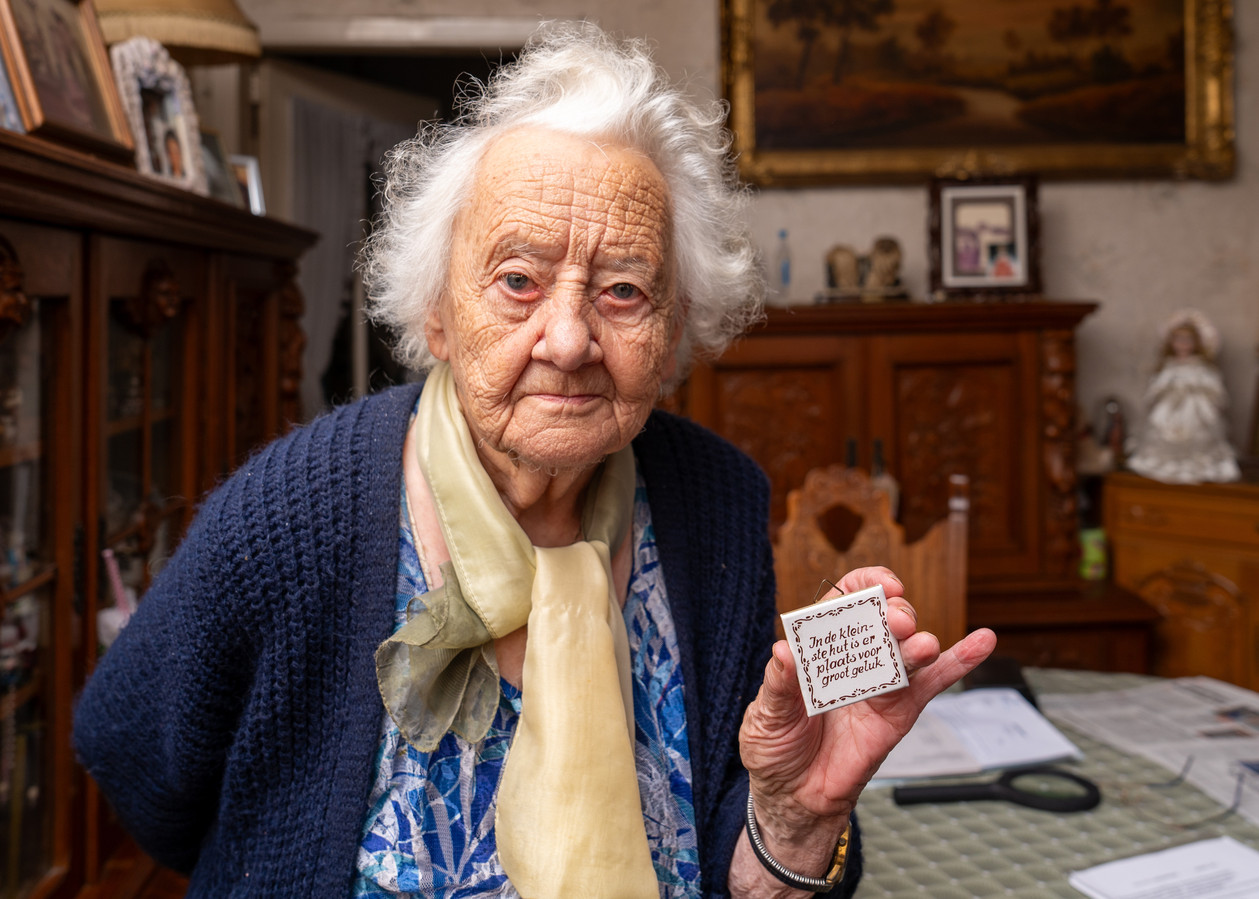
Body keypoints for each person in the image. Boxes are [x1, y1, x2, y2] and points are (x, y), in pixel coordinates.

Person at [73, 23, 995, 898]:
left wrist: (791, 821)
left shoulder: (713, 498)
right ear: (435, 310)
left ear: (676, 333)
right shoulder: (292, 513)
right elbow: (134, 756)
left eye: (623, 290)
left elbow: (743, 856)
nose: (567, 338)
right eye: (517, 280)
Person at [1126, 308, 1240, 484]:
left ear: (1197, 343)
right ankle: (1165, 464)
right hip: (1171, 406)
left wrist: (1194, 386)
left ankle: (1197, 466)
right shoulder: (1169, 365)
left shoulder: (1201, 366)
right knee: (1161, 427)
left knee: (1200, 433)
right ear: (1171, 342)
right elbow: (1158, 386)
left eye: (1188, 340)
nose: (1183, 344)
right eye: (1179, 340)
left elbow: (1214, 388)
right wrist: (1168, 388)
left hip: (1194, 408)